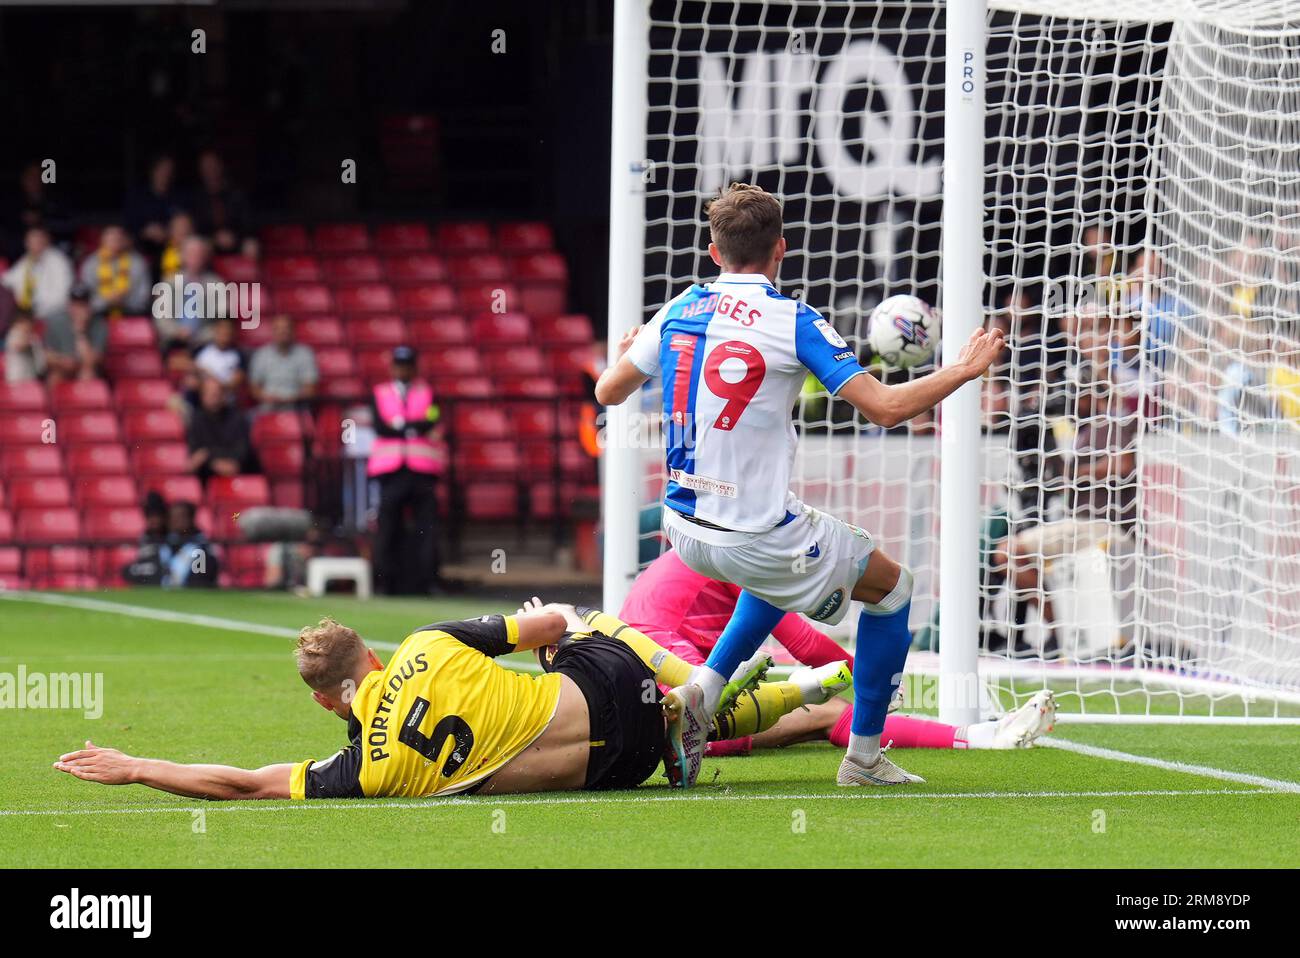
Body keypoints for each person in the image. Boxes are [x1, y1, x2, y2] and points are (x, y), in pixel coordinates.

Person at [595, 182, 1004, 787]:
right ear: (781, 249)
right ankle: (864, 758)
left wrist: (627, 350)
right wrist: (964, 370)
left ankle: (705, 690)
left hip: (682, 530)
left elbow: (607, 393)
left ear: (713, 252)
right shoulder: (794, 321)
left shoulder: (678, 308)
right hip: (749, 533)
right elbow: (887, 409)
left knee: (779, 566)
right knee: (894, 590)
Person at [52, 603, 823, 799]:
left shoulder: (362, 770)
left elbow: (243, 783)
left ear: (329, 704)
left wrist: (137, 765)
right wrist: (550, 633)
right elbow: (549, 624)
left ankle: (785, 704)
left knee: (678, 727)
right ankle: (717, 684)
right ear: (376, 657)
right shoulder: (426, 643)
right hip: (611, 683)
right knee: (578, 621)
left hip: (616, 771)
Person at [613, 550, 1056, 754]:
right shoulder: (742, 554)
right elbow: (804, 644)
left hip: (629, 680)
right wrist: (866, 684)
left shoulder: (694, 551)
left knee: (801, 708)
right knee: (828, 713)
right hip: (675, 696)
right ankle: (976, 738)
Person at [368, 345, 444, 595]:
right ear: (393, 367)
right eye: (399, 364)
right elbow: (380, 426)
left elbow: (432, 419)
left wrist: (402, 426)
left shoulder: (429, 393)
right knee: (388, 527)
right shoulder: (379, 393)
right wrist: (413, 427)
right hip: (390, 470)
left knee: (427, 528)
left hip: (422, 469)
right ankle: (384, 582)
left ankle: (428, 582)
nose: (403, 369)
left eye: (408, 364)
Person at [186, 375, 252, 482]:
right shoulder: (196, 419)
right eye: (210, 393)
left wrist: (208, 454)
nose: (215, 395)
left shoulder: (237, 417)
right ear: (202, 396)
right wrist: (214, 463)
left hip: (237, 473)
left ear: (224, 395)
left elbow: (242, 450)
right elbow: (195, 454)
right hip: (206, 476)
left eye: (218, 392)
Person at [1, 225, 73, 321]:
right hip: (27, 315)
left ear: (46, 241)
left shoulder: (58, 261)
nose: (35, 244)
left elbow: (62, 298)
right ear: (26, 243)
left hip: (51, 316)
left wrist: (35, 310)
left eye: (39, 241)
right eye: (31, 241)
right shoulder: (27, 260)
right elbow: (8, 280)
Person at [77, 224, 151, 318]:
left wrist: (123, 301)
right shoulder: (91, 264)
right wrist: (106, 301)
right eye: (111, 235)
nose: (116, 238)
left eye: (119, 235)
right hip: (98, 317)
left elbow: (144, 298)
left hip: (131, 317)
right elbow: (85, 300)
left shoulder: (137, 263)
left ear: (125, 239)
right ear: (102, 238)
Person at [248, 315, 317, 409]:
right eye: (278, 328)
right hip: (268, 407)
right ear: (273, 331)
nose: (283, 332)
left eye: (286, 328)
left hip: (296, 408)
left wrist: (290, 399)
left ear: (293, 331)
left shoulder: (305, 354)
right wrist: (267, 397)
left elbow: (310, 389)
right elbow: (254, 389)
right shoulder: (261, 354)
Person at [44, 284, 106, 383]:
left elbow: (90, 362)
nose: (79, 310)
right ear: (69, 305)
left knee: (87, 373)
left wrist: (80, 333)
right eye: (75, 304)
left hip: (85, 368)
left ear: (90, 306)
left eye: (83, 305)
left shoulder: (99, 324)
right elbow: (47, 356)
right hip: (62, 367)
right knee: (55, 376)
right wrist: (62, 361)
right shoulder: (56, 322)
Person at [192, 316, 246, 389]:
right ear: (215, 330)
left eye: (228, 329)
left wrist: (212, 379)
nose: (225, 332)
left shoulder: (238, 355)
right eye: (222, 328)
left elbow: (235, 382)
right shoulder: (201, 350)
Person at [4, 312, 46, 384]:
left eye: (28, 323)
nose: (26, 326)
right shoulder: (14, 334)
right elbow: (19, 346)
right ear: (17, 324)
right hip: (16, 380)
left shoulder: (33, 338)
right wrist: (30, 340)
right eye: (23, 323)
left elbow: (41, 362)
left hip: (31, 378)